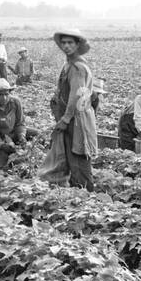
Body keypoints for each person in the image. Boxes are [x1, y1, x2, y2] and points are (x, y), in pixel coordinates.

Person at [38, 30, 98, 190]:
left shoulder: (77, 67)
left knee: (78, 159)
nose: (66, 46)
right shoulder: (69, 65)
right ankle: (77, 194)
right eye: (63, 43)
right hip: (72, 119)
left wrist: (65, 118)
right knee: (71, 158)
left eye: (70, 42)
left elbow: (76, 96)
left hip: (76, 120)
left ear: (77, 45)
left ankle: (86, 196)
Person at [0, 79, 26, 170]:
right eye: (1, 95)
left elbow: (20, 123)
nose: (4, 98)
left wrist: (21, 136)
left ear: (9, 93)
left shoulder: (16, 103)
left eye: (6, 94)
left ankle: (20, 145)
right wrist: (2, 145)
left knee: (38, 135)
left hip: (14, 132)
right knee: (1, 167)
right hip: (0, 137)